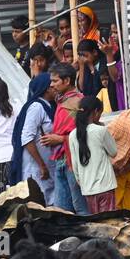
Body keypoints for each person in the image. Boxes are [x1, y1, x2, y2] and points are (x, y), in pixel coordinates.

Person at [41, 63, 90, 215]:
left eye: (55, 81)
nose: (51, 85)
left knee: (80, 206)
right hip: (61, 160)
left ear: (67, 81)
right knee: (62, 209)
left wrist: (60, 139)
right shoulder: (61, 102)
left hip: (73, 161)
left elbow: (87, 133)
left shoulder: (80, 103)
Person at [10, 72, 58, 204]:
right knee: (40, 202)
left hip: (47, 165)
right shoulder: (36, 107)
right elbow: (26, 138)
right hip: (36, 167)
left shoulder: (50, 106)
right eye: (53, 84)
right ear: (47, 88)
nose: (56, 87)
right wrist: (42, 165)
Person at [70, 96, 119, 213]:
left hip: (88, 188)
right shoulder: (100, 131)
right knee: (110, 222)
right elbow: (113, 152)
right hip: (105, 185)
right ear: (96, 111)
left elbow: (75, 165)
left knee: (97, 222)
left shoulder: (73, 134)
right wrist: (103, 127)